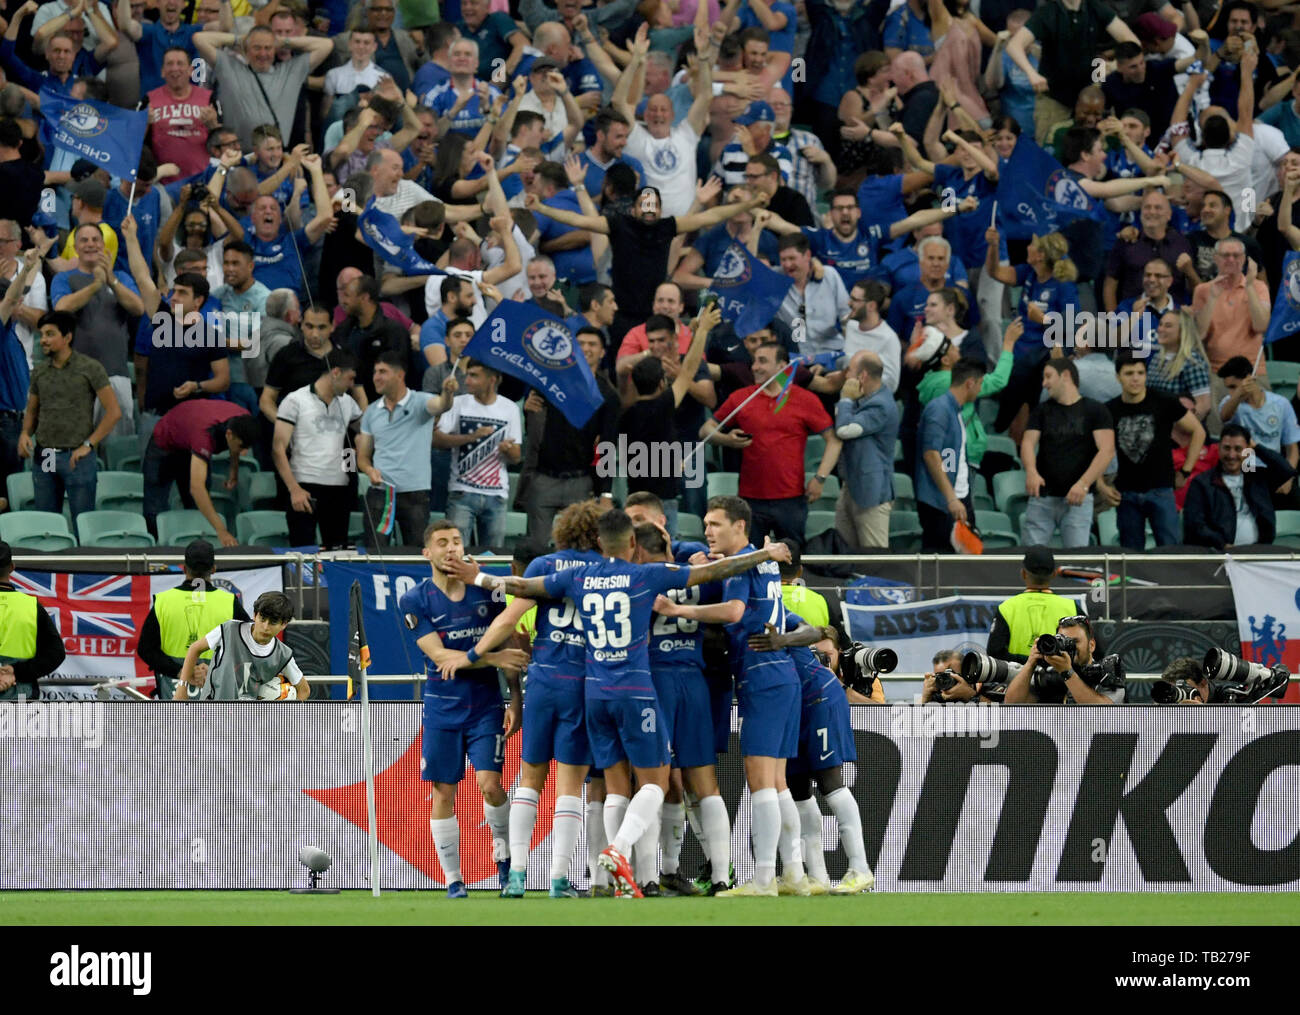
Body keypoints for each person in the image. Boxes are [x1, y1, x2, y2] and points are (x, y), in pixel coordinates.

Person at [467, 506, 792, 897]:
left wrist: (480, 577)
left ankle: (599, 880)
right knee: (656, 781)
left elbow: (525, 588)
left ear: (600, 543)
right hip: (638, 691)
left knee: (609, 785)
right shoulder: (647, 575)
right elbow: (712, 573)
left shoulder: (576, 576)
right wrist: (762, 554)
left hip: (593, 693)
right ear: (633, 543)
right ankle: (622, 853)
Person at [444, 500, 608, 898]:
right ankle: (557, 879)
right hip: (583, 681)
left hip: (543, 682)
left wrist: (472, 654)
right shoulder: (605, 571)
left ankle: (517, 874)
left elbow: (506, 619)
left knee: (529, 779)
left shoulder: (543, 566)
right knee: (570, 783)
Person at [649, 495, 798, 897]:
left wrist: (677, 611)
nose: (708, 532)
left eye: (715, 524)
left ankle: (764, 880)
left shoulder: (743, 563)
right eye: (706, 524)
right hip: (775, 672)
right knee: (778, 782)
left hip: (761, 671)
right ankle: (798, 874)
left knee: (762, 779)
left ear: (739, 527)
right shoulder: (760, 560)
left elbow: (733, 612)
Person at [398, 519, 528, 898]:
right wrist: (495, 655)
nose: (451, 548)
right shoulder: (414, 600)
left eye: (456, 541)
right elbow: (441, 657)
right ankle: (454, 879)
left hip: (486, 706)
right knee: (443, 790)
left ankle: (503, 859)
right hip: (441, 707)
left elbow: (514, 652)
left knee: (490, 785)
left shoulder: (487, 591)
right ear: (428, 553)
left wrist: (515, 699)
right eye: (442, 543)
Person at [745, 614, 876, 895]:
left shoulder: (773, 610)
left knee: (830, 782)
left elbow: (812, 632)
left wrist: (782, 639)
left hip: (819, 699)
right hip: (790, 706)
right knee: (797, 789)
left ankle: (860, 868)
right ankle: (817, 875)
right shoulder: (739, 615)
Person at [701, 341, 841, 547]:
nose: (754, 367)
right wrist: (726, 440)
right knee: (751, 561)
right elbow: (706, 430)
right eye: (754, 361)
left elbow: (834, 441)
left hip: (791, 499)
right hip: (750, 500)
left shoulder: (805, 399)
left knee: (791, 563)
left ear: (782, 365)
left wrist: (820, 479)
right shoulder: (741, 397)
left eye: (762, 361)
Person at [20, 308, 122, 536]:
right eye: (42, 334)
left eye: (49, 334)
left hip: (76, 456)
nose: (43, 340)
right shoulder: (39, 371)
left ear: (67, 337)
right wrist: (25, 433)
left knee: (82, 524)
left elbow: (114, 412)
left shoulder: (90, 368)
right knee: (46, 524)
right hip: (45, 455)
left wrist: (89, 444)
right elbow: (33, 410)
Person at [1096, 355, 1206, 549]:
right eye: (1129, 373)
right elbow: (1096, 450)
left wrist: (1186, 471)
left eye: (1140, 373)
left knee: (1170, 554)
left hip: (1161, 489)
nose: (1135, 378)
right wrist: (1100, 485)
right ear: (1118, 377)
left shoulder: (1164, 401)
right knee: (1129, 559)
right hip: (1126, 492)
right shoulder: (1109, 410)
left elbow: (1199, 431)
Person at [357, 352, 456, 548]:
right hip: (379, 493)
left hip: (415, 494)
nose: (376, 377)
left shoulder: (421, 402)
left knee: (417, 554)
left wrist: (448, 392)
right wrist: (369, 471)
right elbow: (362, 457)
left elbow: (442, 405)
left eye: (382, 372)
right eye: (375, 372)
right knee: (374, 553)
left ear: (400, 375)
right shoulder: (370, 411)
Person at [272, 350, 362, 550]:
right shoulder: (295, 400)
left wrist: (353, 465)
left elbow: (363, 432)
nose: (352, 385)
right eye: (350, 378)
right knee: (302, 553)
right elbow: (278, 449)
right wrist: (293, 489)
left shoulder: (348, 403)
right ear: (336, 372)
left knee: (337, 552)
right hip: (305, 485)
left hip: (339, 487)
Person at [137, 538, 248, 700]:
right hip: (218, 699)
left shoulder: (163, 601)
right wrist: (212, 669)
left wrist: (182, 671)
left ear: (183, 568)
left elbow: (146, 649)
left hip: (173, 698)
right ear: (214, 569)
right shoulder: (229, 603)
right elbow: (250, 646)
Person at [1021, 358, 1115, 548]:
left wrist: (1084, 483)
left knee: (1077, 561)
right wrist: (1031, 471)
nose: (1044, 383)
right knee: (1031, 557)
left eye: (1048, 377)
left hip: (1079, 499)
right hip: (1043, 496)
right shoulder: (1042, 411)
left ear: (1065, 375)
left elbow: (1107, 450)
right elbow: (1028, 443)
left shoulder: (1095, 410)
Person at [144, 399, 257, 546]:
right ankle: (157, 555)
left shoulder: (244, 420)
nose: (244, 453)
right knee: (155, 510)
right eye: (242, 447)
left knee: (198, 509)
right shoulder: (204, 435)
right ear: (229, 434)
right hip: (164, 447)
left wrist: (233, 472)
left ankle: (196, 550)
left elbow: (237, 445)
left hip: (190, 436)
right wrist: (221, 531)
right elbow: (197, 488)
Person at [434, 360, 522, 548]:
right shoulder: (457, 403)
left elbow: (516, 457)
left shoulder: (510, 409)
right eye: (468, 375)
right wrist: (471, 437)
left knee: (493, 559)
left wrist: (508, 449)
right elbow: (437, 441)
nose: (467, 380)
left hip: (496, 494)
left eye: (474, 376)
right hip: (462, 491)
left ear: (492, 380)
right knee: (457, 555)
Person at [175, 591, 309, 701]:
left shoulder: (283, 654)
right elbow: (194, 648)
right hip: (211, 712)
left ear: (284, 624)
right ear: (255, 615)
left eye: (273, 622)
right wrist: (182, 687)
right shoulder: (229, 629)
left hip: (247, 722)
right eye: (262, 619)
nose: (265, 627)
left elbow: (304, 690)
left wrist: (288, 718)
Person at [1184, 423, 1298, 549]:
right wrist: (1221, 544)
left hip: (1259, 552)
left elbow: (1287, 471)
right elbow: (1195, 524)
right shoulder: (1202, 483)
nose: (1231, 455)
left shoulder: (1258, 478)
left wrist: (1257, 448)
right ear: (1219, 448)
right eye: (1226, 448)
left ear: (1248, 450)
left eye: (1238, 449)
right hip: (1220, 554)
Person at [916, 357, 986, 552]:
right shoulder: (939, 410)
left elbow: (950, 456)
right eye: (980, 384)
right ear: (970, 383)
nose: (981, 389)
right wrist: (951, 498)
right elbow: (931, 454)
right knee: (941, 562)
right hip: (941, 503)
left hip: (958, 498)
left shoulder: (955, 410)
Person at [833, 350, 898, 550]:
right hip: (851, 487)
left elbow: (844, 430)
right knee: (845, 553)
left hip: (871, 493)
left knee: (873, 559)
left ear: (862, 376)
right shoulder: (864, 399)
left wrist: (845, 399)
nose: (846, 375)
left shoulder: (881, 405)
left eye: (850, 371)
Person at [1216, 357, 1300, 490]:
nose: (1231, 392)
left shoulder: (1281, 403)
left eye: (1234, 387)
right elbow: (1224, 417)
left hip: (1274, 467)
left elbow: (1292, 448)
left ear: (1250, 379)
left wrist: (1288, 477)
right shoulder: (1230, 403)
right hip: (1246, 469)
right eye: (1228, 388)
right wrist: (1237, 394)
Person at [0, 539, 67, 701]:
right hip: (20, 697)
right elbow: (56, 653)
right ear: (12, 568)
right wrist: (16, 671)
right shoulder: (31, 606)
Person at [1004, 614, 1123, 704]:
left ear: (1091, 645)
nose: (1070, 646)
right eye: (1064, 641)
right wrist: (1030, 664)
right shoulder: (1050, 675)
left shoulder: (1106, 672)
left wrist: (1067, 672)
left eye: (1075, 641)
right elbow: (1012, 704)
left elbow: (1103, 712)